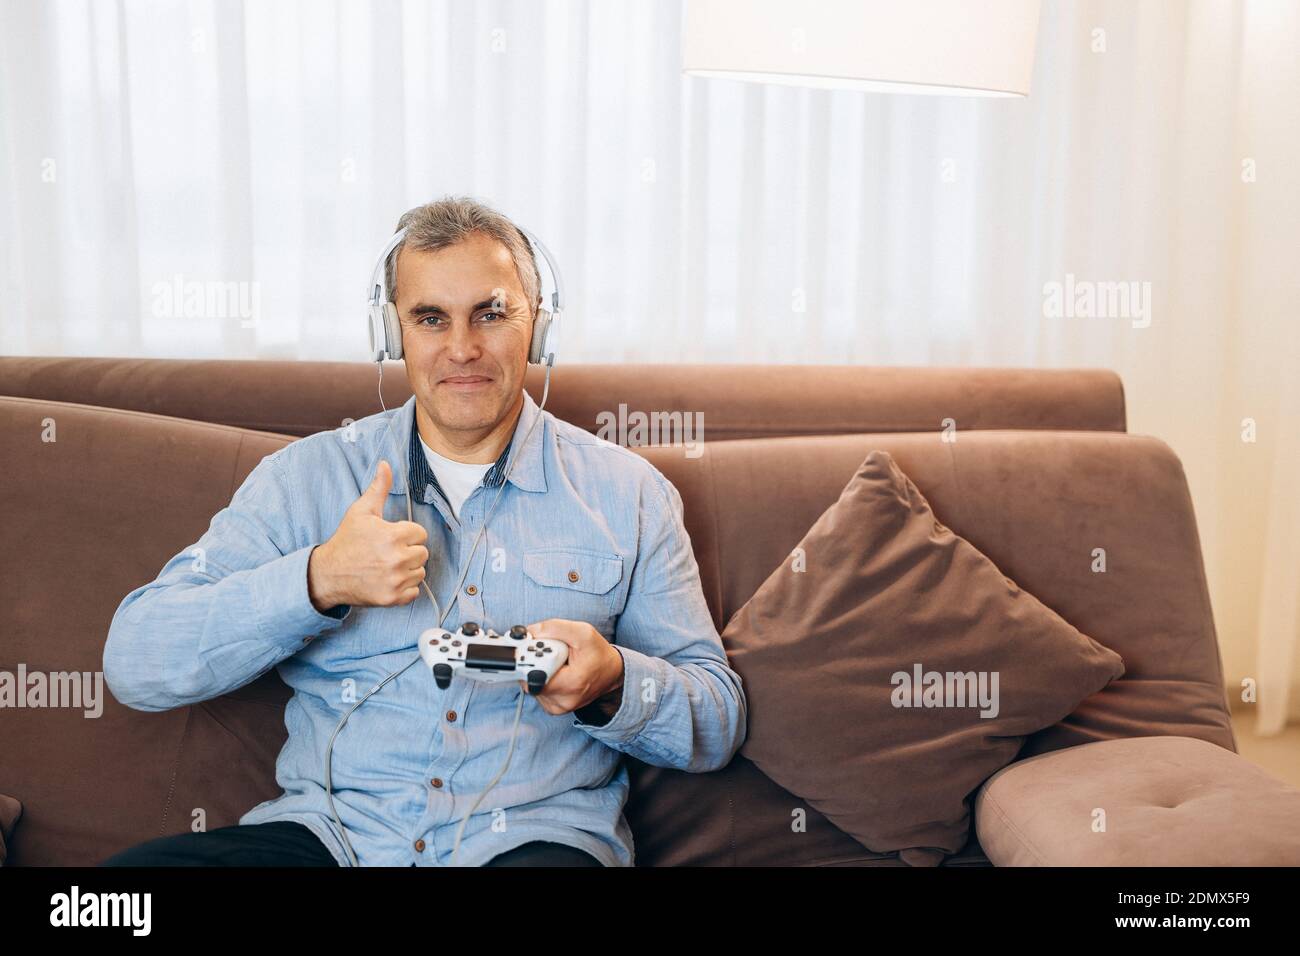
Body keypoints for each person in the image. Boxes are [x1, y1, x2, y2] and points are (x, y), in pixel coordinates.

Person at [100, 195, 747, 866]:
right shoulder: (303, 479)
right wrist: (318, 580)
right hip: (331, 840)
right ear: (392, 333)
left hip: (531, 841)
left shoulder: (629, 494)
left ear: (539, 329)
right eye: (430, 318)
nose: (462, 348)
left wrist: (613, 678)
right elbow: (137, 662)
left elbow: (717, 721)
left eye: (491, 314)